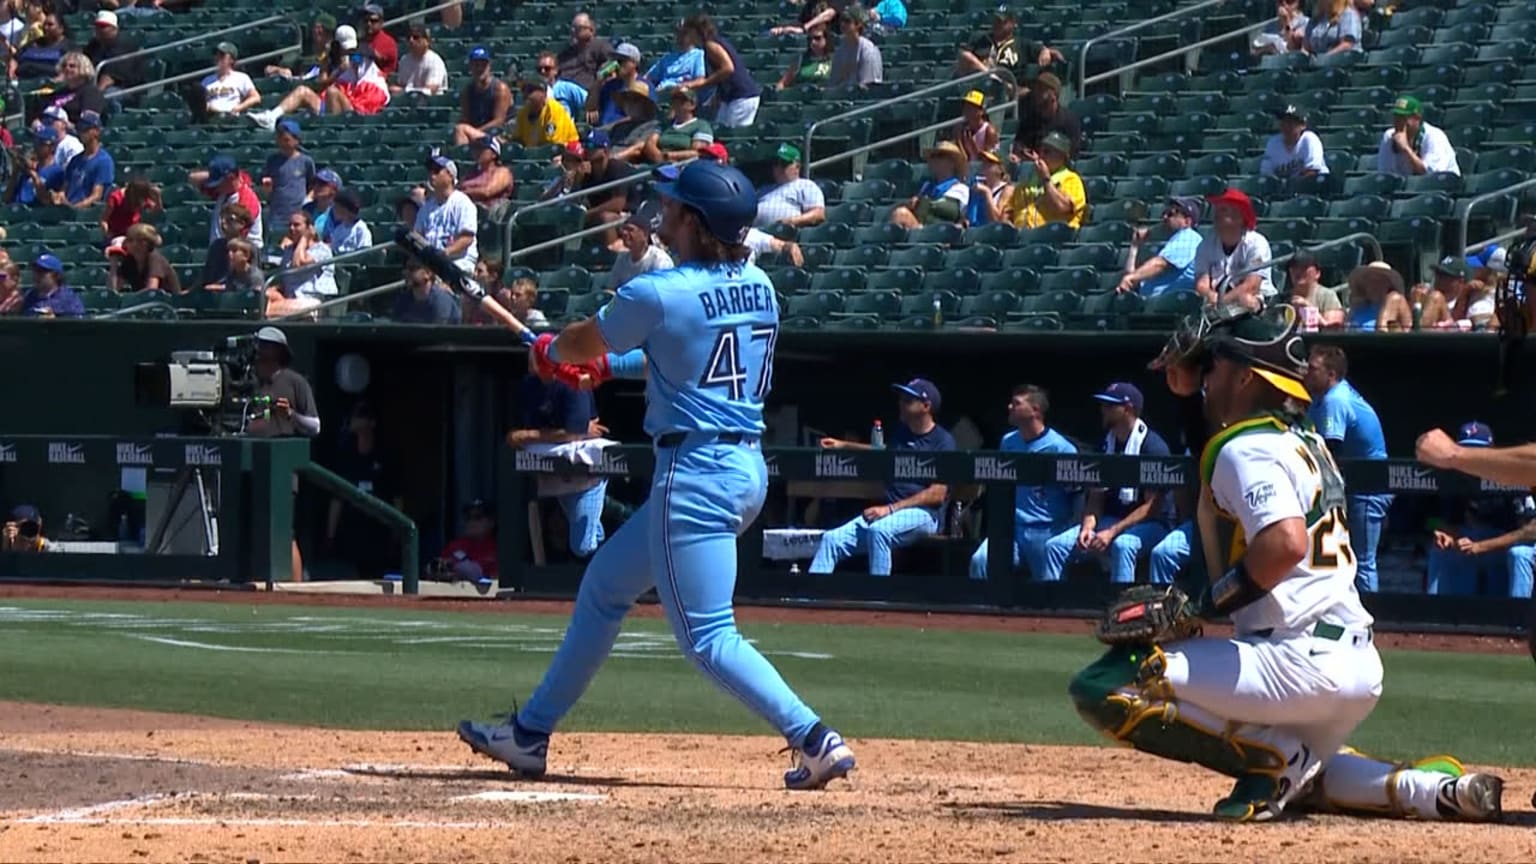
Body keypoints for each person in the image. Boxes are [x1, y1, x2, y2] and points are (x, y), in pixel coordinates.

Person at [456, 160, 857, 792]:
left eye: (673, 211)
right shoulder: (759, 284)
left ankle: (813, 737)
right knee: (605, 587)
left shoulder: (657, 291)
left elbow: (582, 343)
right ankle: (531, 733)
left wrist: (552, 352)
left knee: (708, 636)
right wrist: (606, 367)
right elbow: (676, 351)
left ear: (697, 223)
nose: (662, 218)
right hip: (742, 465)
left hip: (694, 474)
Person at [1069, 305, 1505, 825]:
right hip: (1353, 666)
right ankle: (1434, 791)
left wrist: (1204, 604)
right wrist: (1187, 398)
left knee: (1104, 683)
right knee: (1307, 775)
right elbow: (1217, 461)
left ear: (1246, 377)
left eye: (1215, 368)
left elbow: (1284, 544)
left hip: (1294, 659)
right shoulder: (1302, 440)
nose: (1206, 378)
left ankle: (1270, 759)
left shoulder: (1248, 447)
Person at [809, 379, 957, 577]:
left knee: (879, 531)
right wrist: (843, 445)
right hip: (891, 513)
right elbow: (882, 452)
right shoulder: (901, 434)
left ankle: (878, 600)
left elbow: (937, 494)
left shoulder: (943, 441)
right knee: (831, 540)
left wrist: (889, 509)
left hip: (924, 515)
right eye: (901, 399)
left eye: (907, 400)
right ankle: (811, 596)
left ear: (926, 406)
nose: (900, 404)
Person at [1040, 383, 1174, 583]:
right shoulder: (1105, 444)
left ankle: (1121, 608)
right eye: (1103, 405)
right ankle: (1050, 607)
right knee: (1055, 546)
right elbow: (1096, 495)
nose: (1103, 410)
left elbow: (1151, 508)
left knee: (1124, 545)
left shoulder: (1152, 446)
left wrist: (1111, 532)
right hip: (1110, 521)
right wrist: (1087, 527)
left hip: (1152, 525)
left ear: (1128, 409)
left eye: (1110, 406)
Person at [1303, 345, 1390, 593]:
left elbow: (1331, 450)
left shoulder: (1335, 400)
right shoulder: (1320, 398)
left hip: (1369, 486)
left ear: (1331, 374)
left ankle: (1374, 621)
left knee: (1363, 559)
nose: (1306, 373)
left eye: (1313, 369)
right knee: (1349, 557)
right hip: (1356, 483)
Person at [504, 354, 609, 558]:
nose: (531, 358)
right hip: (554, 473)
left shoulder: (573, 382)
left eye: (538, 354)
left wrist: (530, 435)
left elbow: (575, 432)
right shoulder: (529, 385)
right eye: (531, 353)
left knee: (583, 546)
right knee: (592, 536)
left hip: (585, 475)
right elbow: (515, 435)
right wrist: (559, 432)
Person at [968, 385, 1077, 581]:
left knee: (1047, 591)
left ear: (1035, 410)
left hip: (1047, 530)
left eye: (1017, 404)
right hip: (1013, 530)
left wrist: (1068, 533)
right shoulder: (1008, 442)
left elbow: (1076, 497)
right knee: (980, 560)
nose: (1010, 407)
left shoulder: (1061, 448)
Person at [244, 327, 320, 583]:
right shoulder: (249, 381)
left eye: (265, 346)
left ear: (278, 351)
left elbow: (315, 426)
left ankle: (295, 589)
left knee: (284, 531)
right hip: (249, 462)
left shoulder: (294, 381)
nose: (260, 352)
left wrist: (290, 415)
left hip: (281, 466)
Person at [1426, 422, 1536, 598]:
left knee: (1517, 554)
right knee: (1439, 552)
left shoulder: (1509, 475)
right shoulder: (1454, 478)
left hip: (1501, 544)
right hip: (1466, 542)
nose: (1472, 460)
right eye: (1467, 451)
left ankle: (1515, 620)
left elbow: (1528, 531)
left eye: (1477, 453)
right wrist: (1445, 532)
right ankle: (1435, 618)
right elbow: (1434, 520)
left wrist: (1482, 546)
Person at [324, 400, 404, 579]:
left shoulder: (386, 456)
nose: (355, 421)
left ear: (371, 423)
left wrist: (396, 533)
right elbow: (336, 499)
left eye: (360, 417)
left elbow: (397, 498)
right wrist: (330, 534)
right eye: (355, 416)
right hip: (351, 528)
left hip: (377, 529)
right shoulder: (345, 455)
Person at [250, 30, 391, 129]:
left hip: (354, 112)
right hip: (332, 105)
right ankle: (272, 117)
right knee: (302, 91)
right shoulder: (335, 63)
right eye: (345, 50)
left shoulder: (366, 65)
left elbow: (368, 102)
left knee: (332, 92)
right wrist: (336, 71)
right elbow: (320, 86)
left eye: (352, 51)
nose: (349, 54)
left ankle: (331, 131)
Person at [675, 14, 760, 128]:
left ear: (695, 31)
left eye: (687, 32)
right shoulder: (708, 45)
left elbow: (728, 68)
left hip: (742, 96)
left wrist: (705, 82)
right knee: (720, 131)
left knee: (731, 135)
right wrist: (718, 95)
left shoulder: (711, 44)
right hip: (729, 97)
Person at [1194, 188, 1273, 308]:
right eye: (1217, 210)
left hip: (1256, 305)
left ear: (1240, 217)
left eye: (1223, 210)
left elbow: (1252, 286)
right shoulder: (1206, 244)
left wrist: (1222, 301)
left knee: (1247, 300)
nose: (1217, 215)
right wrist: (1211, 296)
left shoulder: (1257, 243)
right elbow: (1201, 283)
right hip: (1217, 304)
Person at [1117, 197, 1202, 297]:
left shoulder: (1189, 237)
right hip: (1151, 304)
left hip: (1174, 306)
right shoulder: (1166, 245)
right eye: (1164, 213)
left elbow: (1160, 264)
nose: (1165, 217)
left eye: (1171, 214)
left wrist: (1131, 278)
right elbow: (1131, 276)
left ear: (1187, 222)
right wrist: (1135, 246)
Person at [414, 151, 479, 276]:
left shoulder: (462, 203)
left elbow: (467, 238)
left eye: (437, 171)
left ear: (450, 175)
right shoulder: (426, 208)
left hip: (459, 264)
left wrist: (444, 253)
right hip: (432, 267)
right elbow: (418, 236)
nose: (432, 175)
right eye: (430, 171)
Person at [1006, 130, 1086, 230]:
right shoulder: (1029, 182)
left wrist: (1046, 179)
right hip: (1023, 239)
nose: (1041, 155)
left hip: (1055, 238)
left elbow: (1062, 208)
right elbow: (1009, 213)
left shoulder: (1071, 179)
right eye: (1041, 151)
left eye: (1047, 152)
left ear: (1062, 156)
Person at [889, 141, 969, 229]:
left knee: (901, 214)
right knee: (899, 214)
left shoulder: (960, 189)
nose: (934, 160)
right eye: (932, 156)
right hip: (921, 228)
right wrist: (911, 203)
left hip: (942, 233)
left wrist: (922, 203)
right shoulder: (927, 187)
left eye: (940, 156)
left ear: (952, 163)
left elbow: (957, 215)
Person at [269, 211, 336, 315]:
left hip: (314, 300)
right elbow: (285, 279)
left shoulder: (322, 249)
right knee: (263, 298)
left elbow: (299, 263)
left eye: (296, 225)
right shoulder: (289, 251)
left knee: (269, 310)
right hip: (291, 298)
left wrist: (304, 238)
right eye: (289, 225)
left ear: (309, 228)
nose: (291, 228)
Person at [1377, 95, 1459, 177]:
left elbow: (1431, 175)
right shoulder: (1389, 136)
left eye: (1403, 118)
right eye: (1396, 117)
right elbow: (1385, 174)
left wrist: (1406, 149)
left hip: (1445, 184)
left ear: (1417, 118)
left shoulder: (1435, 136)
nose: (1398, 122)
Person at [259, 119, 316, 237]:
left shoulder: (306, 161)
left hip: (298, 214)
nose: (282, 143)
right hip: (277, 215)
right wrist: (267, 189)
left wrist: (307, 201)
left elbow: (312, 185)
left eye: (286, 140)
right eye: (279, 139)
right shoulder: (272, 161)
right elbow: (265, 190)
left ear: (296, 140)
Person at [754, 143, 825, 229]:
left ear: (797, 166)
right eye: (775, 163)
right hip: (757, 235)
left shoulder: (806, 186)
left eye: (784, 164)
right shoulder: (764, 189)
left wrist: (792, 221)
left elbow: (818, 214)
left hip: (786, 234)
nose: (778, 167)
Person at [452, 47, 512, 146]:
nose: (480, 68)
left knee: (461, 130)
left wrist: (472, 131)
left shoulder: (499, 88)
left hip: (497, 135)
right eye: (476, 65)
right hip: (476, 134)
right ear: (470, 66)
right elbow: (466, 117)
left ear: (489, 66)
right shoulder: (467, 91)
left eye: (483, 65)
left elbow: (499, 121)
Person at [609, 204, 673, 289]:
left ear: (645, 235)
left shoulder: (659, 260)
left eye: (630, 230)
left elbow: (661, 292)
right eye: (624, 230)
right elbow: (612, 288)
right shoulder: (622, 259)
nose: (624, 233)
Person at [435, 500, 499, 582]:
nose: (471, 522)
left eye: (477, 517)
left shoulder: (497, 549)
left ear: (491, 522)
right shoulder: (455, 545)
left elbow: (480, 575)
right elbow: (440, 569)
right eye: (468, 518)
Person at [60, 110, 111, 209]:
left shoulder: (104, 161)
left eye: (85, 130)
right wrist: (60, 197)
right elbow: (65, 188)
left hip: (85, 213)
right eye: (80, 129)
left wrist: (74, 207)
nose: (81, 133)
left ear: (96, 131)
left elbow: (96, 196)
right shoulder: (75, 160)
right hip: (67, 210)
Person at [1259, 105, 1327, 179]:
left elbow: (1312, 172)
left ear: (1302, 125)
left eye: (1290, 123)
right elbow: (1266, 175)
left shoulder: (1310, 139)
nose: (1286, 126)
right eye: (1284, 121)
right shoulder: (1273, 143)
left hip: (1317, 186)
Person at [109, 223, 180, 294]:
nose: (125, 243)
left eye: (129, 240)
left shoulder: (155, 259)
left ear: (143, 243)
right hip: (143, 302)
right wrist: (114, 265)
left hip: (165, 302)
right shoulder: (130, 260)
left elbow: (151, 290)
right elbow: (113, 291)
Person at [1344, 260, 1412, 331]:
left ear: (1389, 284)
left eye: (1379, 280)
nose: (1374, 285)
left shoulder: (1396, 301)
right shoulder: (1357, 307)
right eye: (1369, 280)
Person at [511, 78, 579, 148]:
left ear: (544, 93)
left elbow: (554, 145)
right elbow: (517, 140)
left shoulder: (554, 110)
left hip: (566, 152)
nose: (525, 95)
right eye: (523, 91)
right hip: (534, 155)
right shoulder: (523, 112)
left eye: (530, 91)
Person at [84, 11, 144, 92]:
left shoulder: (123, 44)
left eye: (103, 26)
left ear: (114, 28)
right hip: (96, 83)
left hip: (125, 88)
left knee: (109, 92)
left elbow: (108, 79)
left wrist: (95, 96)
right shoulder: (94, 44)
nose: (98, 29)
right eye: (97, 26)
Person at [588, 42, 645, 126]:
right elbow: (591, 107)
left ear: (634, 63)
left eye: (621, 61)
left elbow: (641, 117)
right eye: (615, 61)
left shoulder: (643, 86)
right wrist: (598, 82)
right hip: (603, 133)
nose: (617, 64)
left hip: (624, 133)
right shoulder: (610, 86)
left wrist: (612, 126)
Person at [1286, 250, 1345, 329]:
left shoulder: (1327, 296)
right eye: (1294, 267)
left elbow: (1333, 328)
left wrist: (1308, 309)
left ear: (1317, 273)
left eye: (1304, 267)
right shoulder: (1281, 299)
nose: (1298, 271)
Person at [392, 257, 462, 324]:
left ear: (428, 273)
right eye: (405, 268)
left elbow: (439, 332)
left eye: (412, 268)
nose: (405, 272)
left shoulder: (441, 300)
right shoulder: (404, 299)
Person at [200, 42, 260, 118]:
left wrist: (238, 108)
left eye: (222, 55)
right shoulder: (207, 80)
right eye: (216, 54)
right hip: (211, 117)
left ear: (231, 59)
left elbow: (256, 97)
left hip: (231, 118)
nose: (217, 57)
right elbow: (200, 102)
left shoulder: (241, 77)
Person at [555, 12, 612, 92]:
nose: (573, 31)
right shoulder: (566, 53)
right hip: (564, 89)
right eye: (573, 28)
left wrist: (600, 77)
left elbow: (613, 64)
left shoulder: (601, 46)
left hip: (587, 91)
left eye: (579, 28)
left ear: (591, 29)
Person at [459, 136, 513, 218]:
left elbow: (487, 191)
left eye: (482, 149)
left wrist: (463, 193)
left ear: (494, 154)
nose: (477, 152)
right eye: (475, 149)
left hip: (489, 214)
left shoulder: (502, 172)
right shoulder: (471, 172)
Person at [827, 5, 881, 87]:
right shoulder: (840, 50)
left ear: (858, 24)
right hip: (843, 95)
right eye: (841, 20)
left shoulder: (868, 50)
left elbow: (868, 86)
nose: (843, 24)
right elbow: (834, 82)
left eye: (847, 21)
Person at [20, 253, 85, 318]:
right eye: (35, 270)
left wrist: (56, 320)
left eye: (41, 271)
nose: (36, 275)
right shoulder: (29, 296)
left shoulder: (68, 298)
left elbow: (77, 322)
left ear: (56, 275)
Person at [533, 50, 588, 123]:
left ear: (556, 70)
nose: (543, 72)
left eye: (547, 69)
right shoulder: (532, 92)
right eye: (539, 69)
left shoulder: (566, 88)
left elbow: (588, 100)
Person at [392, 23, 447, 96]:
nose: (411, 41)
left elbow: (432, 88)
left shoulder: (435, 60)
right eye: (408, 37)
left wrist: (405, 90)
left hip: (431, 102)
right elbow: (401, 84)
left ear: (427, 41)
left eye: (416, 37)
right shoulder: (404, 60)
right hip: (409, 101)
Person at [964, 150, 1014, 227]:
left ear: (1000, 169)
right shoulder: (978, 187)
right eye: (983, 162)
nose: (984, 165)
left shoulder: (1007, 190)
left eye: (989, 163)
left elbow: (997, 222)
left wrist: (987, 193)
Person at [102, 176, 161, 240]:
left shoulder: (141, 198)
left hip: (134, 232)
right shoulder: (115, 198)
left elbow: (156, 211)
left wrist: (157, 197)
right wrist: (107, 233)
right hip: (117, 234)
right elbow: (104, 220)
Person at [776, 25, 833, 90]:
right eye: (810, 39)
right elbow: (783, 83)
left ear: (826, 39)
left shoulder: (835, 60)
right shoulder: (800, 60)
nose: (813, 42)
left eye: (817, 38)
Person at [1297, 0, 1361, 55]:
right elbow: (1305, 47)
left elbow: (1347, 45)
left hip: (1343, 65)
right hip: (1317, 66)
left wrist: (1324, 58)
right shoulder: (1316, 18)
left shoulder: (1348, 14)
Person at [953, 90, 998, 162]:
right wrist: (959, 140)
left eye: (972, 107)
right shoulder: (961, 128)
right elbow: (962, 159)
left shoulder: (989, 131)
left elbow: (990, 161)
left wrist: (973, 146)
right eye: (966, 106)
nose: (967, 110)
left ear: (981, 111)